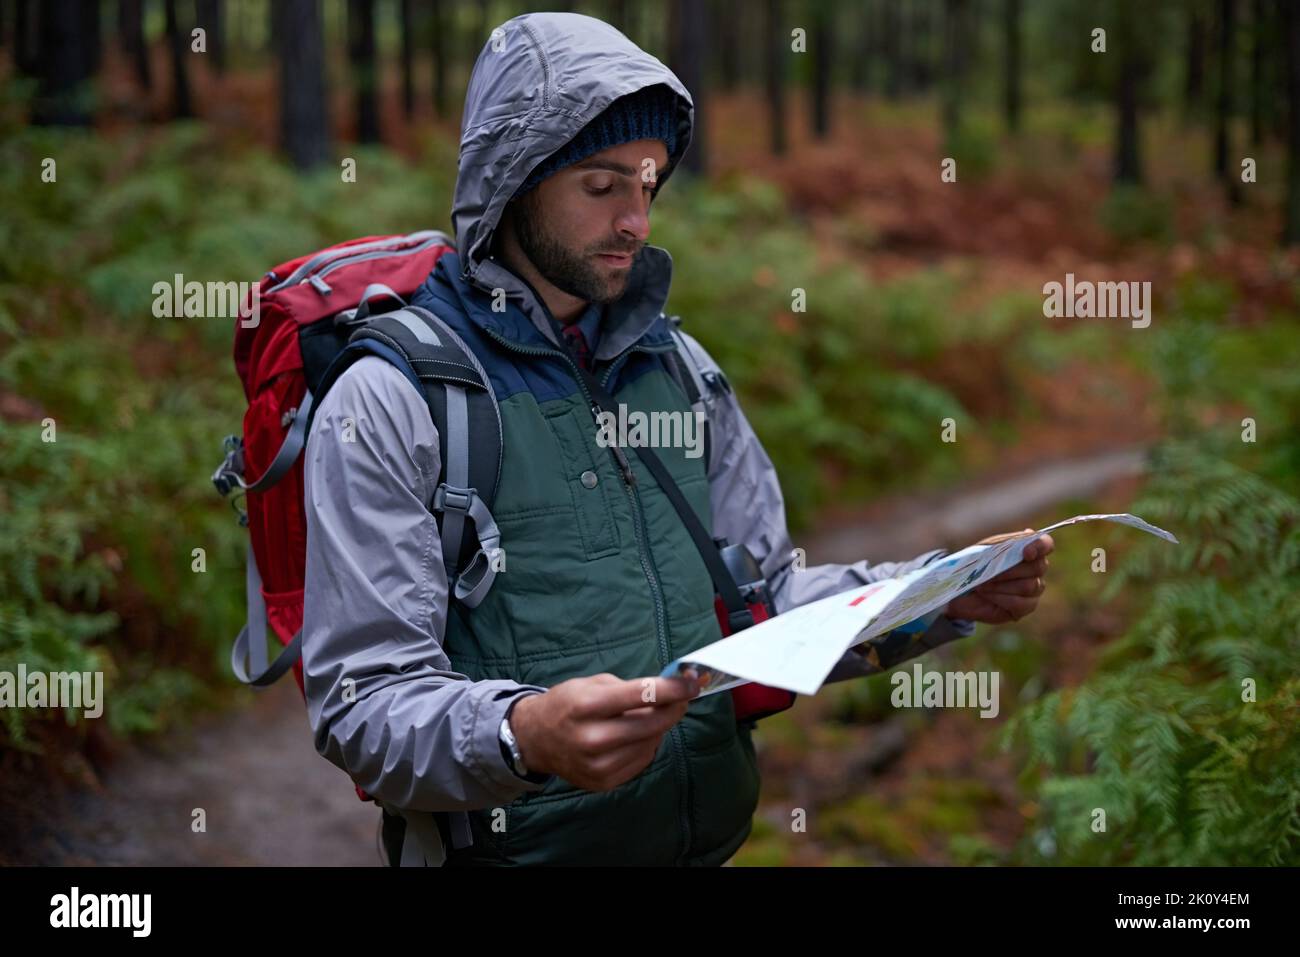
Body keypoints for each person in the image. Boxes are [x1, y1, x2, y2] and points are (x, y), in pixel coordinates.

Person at [300, 11, 1054, 867]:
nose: (636, 222)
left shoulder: (678, 368)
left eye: (648, 186)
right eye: (602, 185)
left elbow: (762, 608)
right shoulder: (396, 397)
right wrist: (523, 734)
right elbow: (361, 703)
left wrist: (932, 598)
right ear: (513, 179)